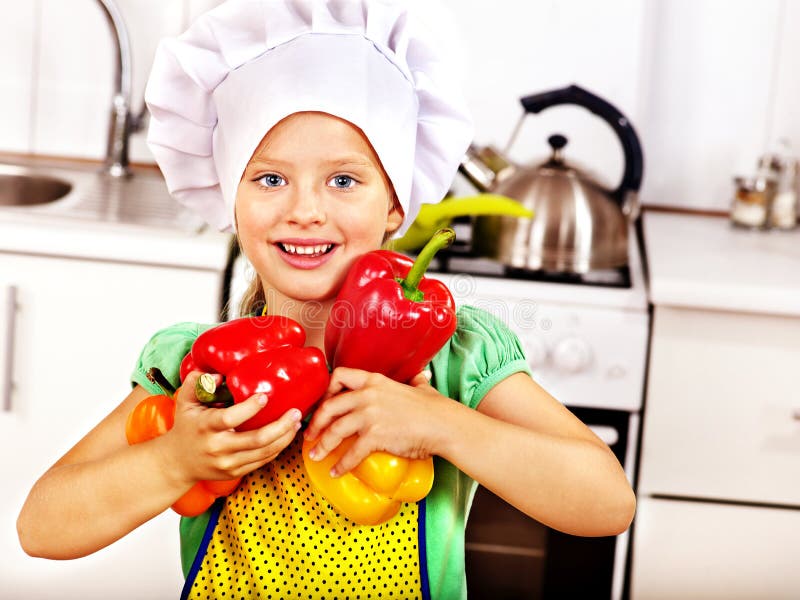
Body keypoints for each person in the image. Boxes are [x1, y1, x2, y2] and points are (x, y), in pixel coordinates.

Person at [17, 1, 636, 598]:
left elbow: (607, 504)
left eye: (344, 179)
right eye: (269, 179)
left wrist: (443, 425)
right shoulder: (196, 372)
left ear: (395, 203)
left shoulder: (455, 357)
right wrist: (173, 462)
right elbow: (41, 527)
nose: (305, 210)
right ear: (230, 200)